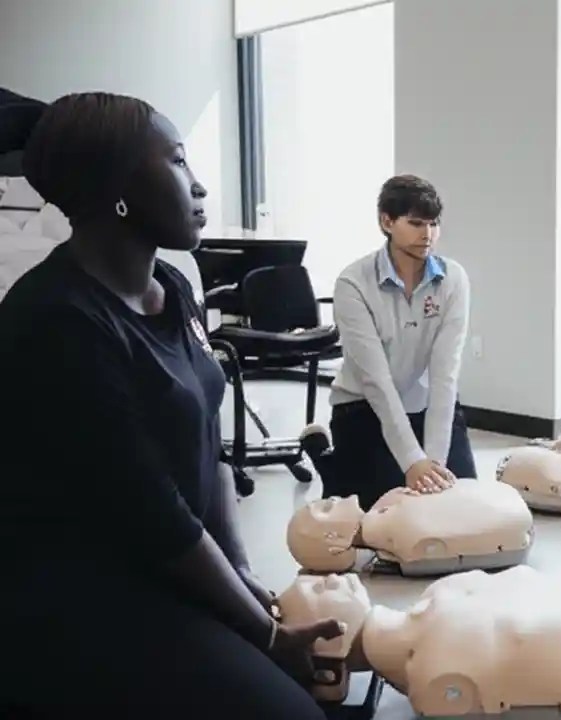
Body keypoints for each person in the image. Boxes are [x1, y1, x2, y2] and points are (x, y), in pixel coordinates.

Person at [0, 92, 341, 718]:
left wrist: (240, 572)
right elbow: (149, 510)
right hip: (83, 597)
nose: (200, 184)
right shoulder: (54, 321)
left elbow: (207, 437)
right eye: (179, 162)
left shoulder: (175, 288)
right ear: (117, 189)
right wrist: (261, 633)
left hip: (166, 568)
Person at [301, 174, 475, 510]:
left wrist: (433, 465)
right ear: (387, 221)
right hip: (362, 407)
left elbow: (444, 374)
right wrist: (412, 461)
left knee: (457, 504)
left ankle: (346, 466)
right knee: (386, 511)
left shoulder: (453, 279)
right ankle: (330, 465)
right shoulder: (353, 283)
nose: (428, 234)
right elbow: (376, 382)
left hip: (425, 406)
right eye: (415, 223)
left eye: (434, 224)